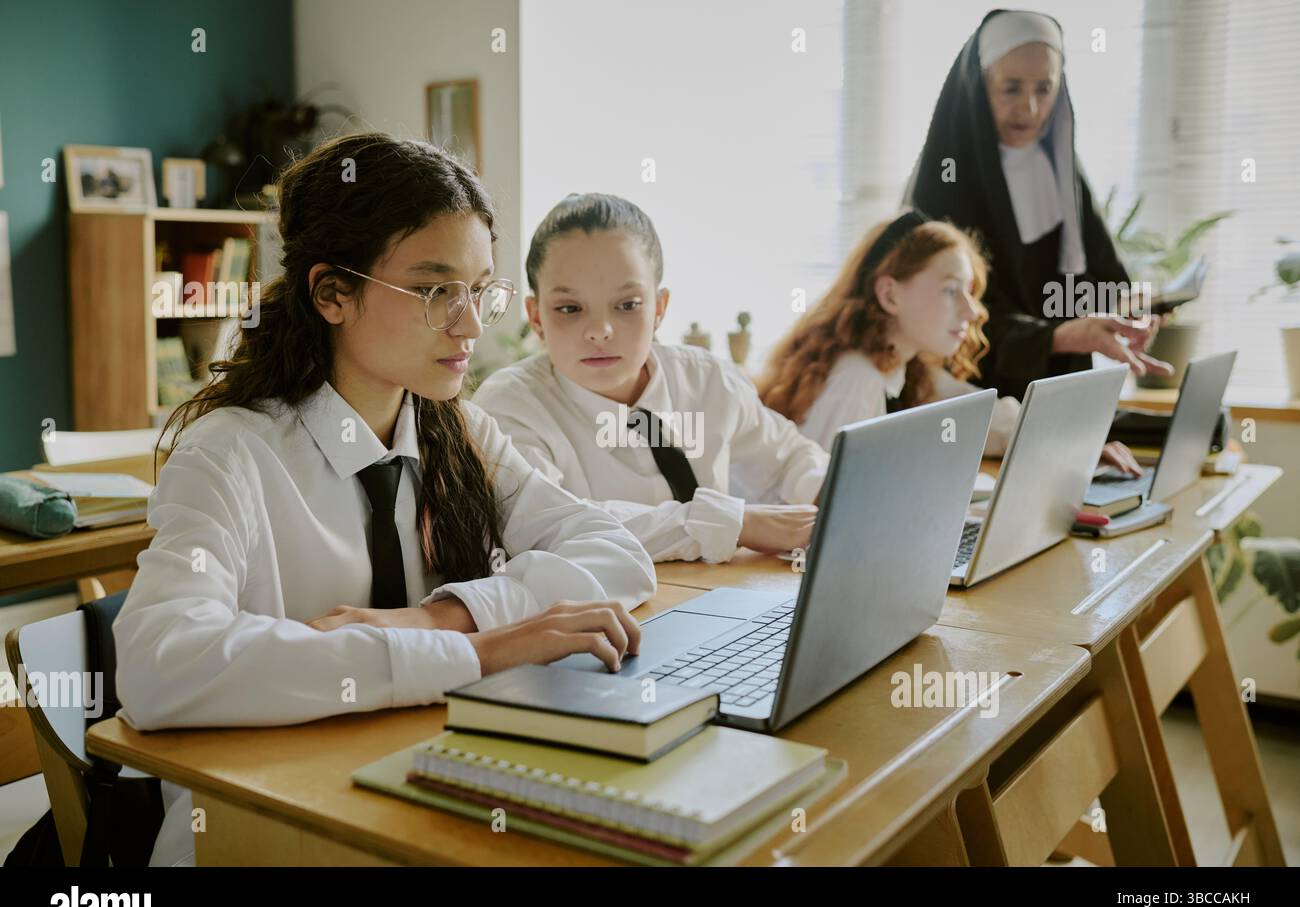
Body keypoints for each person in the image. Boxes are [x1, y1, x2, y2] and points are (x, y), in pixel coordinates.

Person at [113, 135, 655, 864]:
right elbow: (159, 665)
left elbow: (617, 555)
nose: (468, 326)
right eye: (435, 291)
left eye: (478, 290)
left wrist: (448, 616)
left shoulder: (456, 426)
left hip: (423, 790)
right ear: (332, 292)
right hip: (267, 829)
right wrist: (475, 652)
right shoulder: (228, 454)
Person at [472, 193, 829, 564]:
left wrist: (830, 500)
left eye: (627, 305)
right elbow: (556, 528)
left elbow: (791, 457)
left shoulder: (707, 380)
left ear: (659, 308)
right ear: (537, 317)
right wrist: (735, 523)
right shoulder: (509, 408)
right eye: (570, 308)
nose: (600, 331)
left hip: (720, 601)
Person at [904, 8, 1172, 402]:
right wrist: (1054, 337)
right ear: (980, 86)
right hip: (974, 399)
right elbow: (943, 316)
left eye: (1043, 89)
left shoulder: (1061, 173)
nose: (1029, 108)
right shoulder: (945, 182)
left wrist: (1127, 312)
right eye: (1011, 88)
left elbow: (1095, 280)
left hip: (1058, 392)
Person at [758, 209, 1141, 474]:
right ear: (890, 296)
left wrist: (1076, 445)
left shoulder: (904, 368)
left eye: (970, 292)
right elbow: (822, 514)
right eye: (950, 291)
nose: (973, 312)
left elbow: (986, 417)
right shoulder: (858, 381)